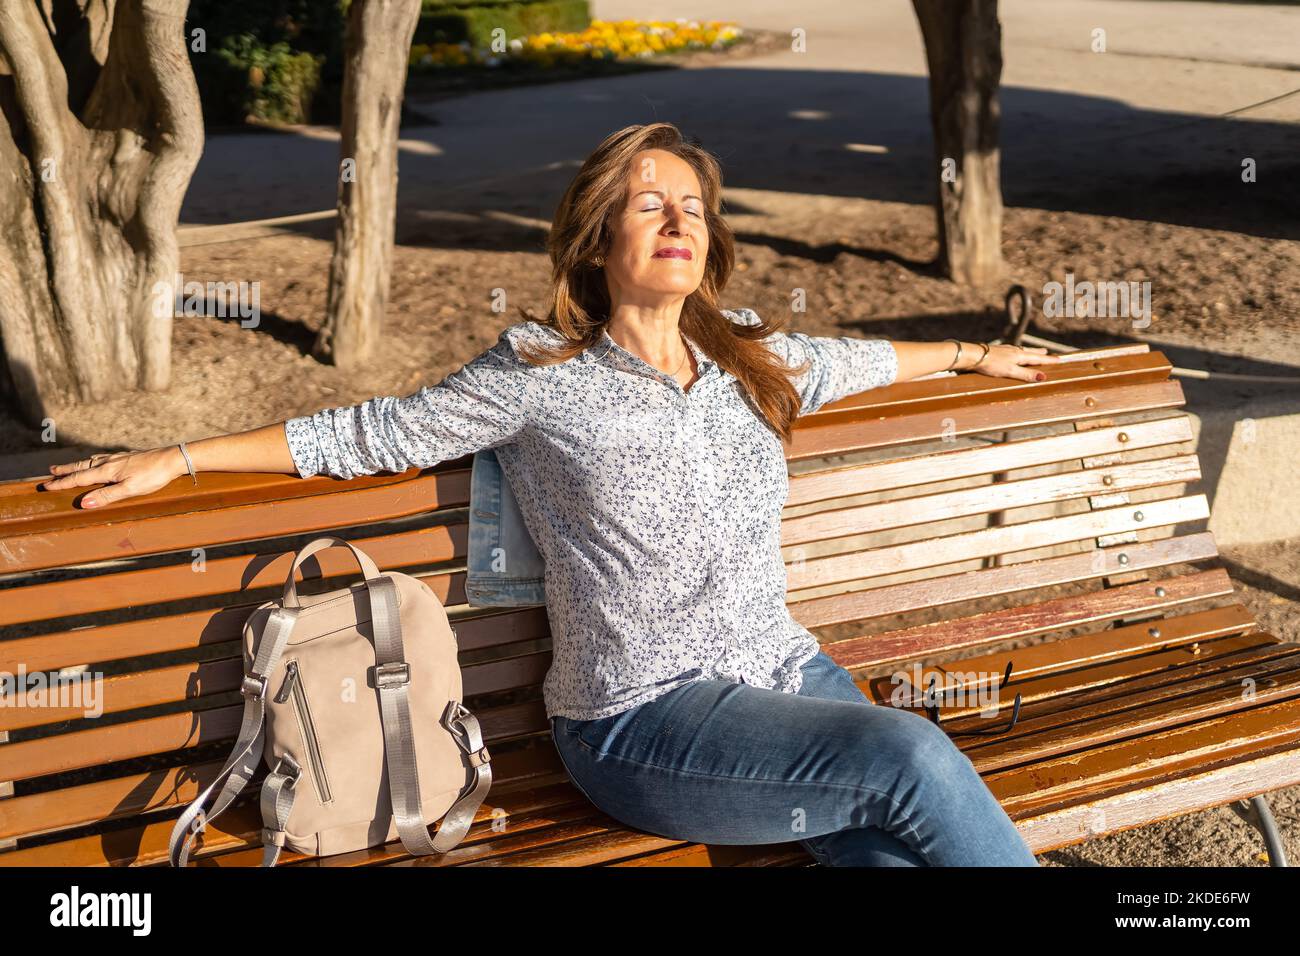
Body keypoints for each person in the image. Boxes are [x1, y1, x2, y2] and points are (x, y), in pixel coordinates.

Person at [40, 122, 1059, 866]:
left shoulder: (746, 351)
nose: (678, 220)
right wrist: (180, 456)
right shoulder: (539, 373)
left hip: (785, 673)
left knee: (879, 845)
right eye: (649, 202)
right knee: (910, 758)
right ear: (596, 235)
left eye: (693, 206)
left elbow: (858, 359)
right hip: (641, 721)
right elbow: (372, 431)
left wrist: (971, 352)